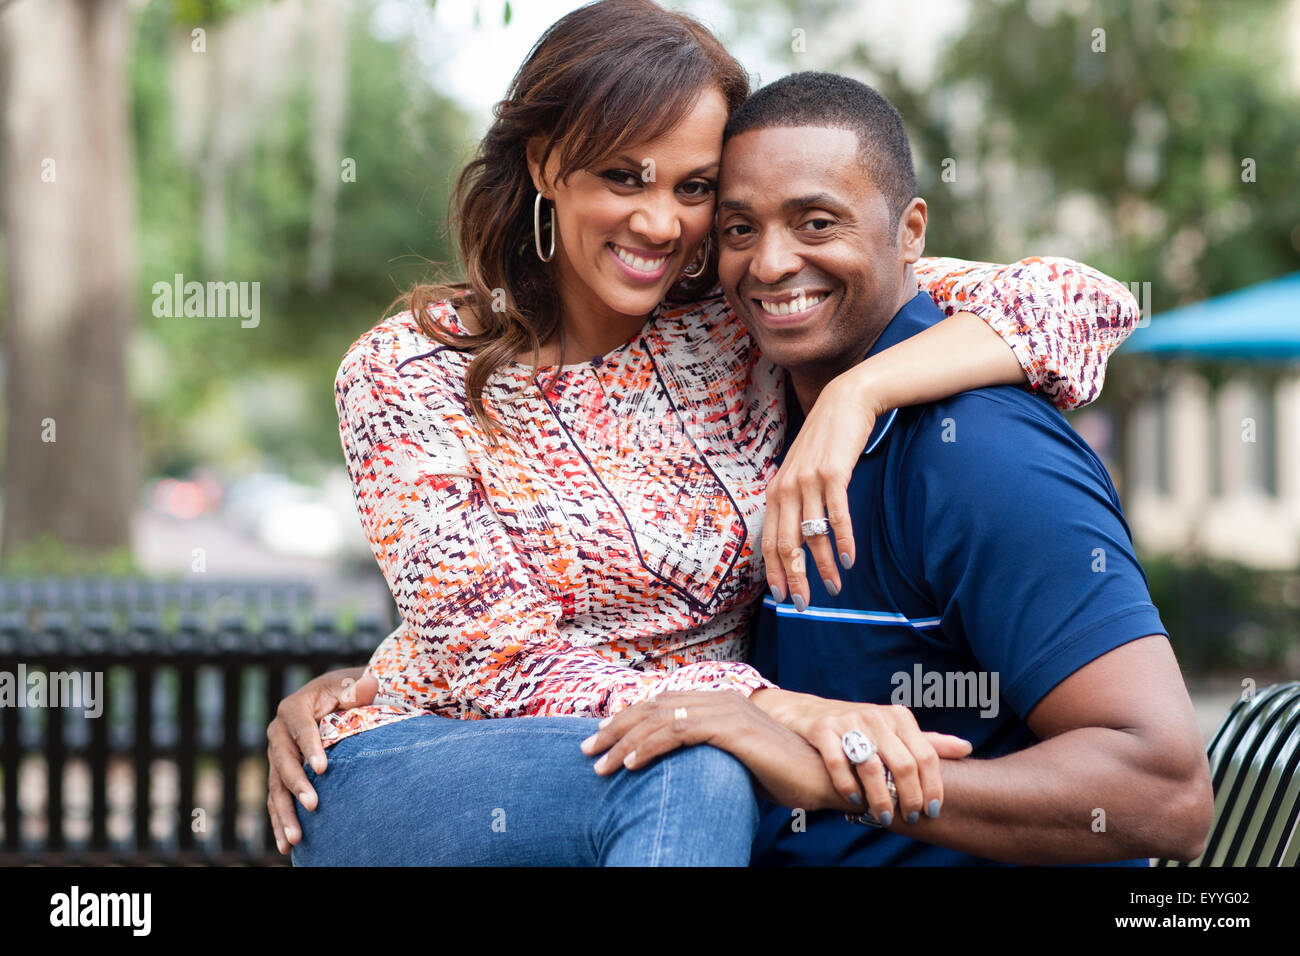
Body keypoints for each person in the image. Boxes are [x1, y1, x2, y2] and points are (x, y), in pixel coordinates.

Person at [268, 0, 1142, 865]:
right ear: (545, 164)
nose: (660, 223)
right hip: (429, 757)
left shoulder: (738, 317)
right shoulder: (409, 372)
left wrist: (857, 396)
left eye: (693, 189)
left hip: (673, 787)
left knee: (694, 762)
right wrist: (774, 711)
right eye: (623, 176)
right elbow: (503, 669)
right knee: (693, 764)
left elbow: (1083, 303)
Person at [579, 72, 1213, 866]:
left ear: (910, 231)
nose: (771, 264)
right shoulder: (755, 414)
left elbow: (1164, 792)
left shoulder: (981, 453)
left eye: (816, 222)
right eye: (739, 230)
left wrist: (827, 772)